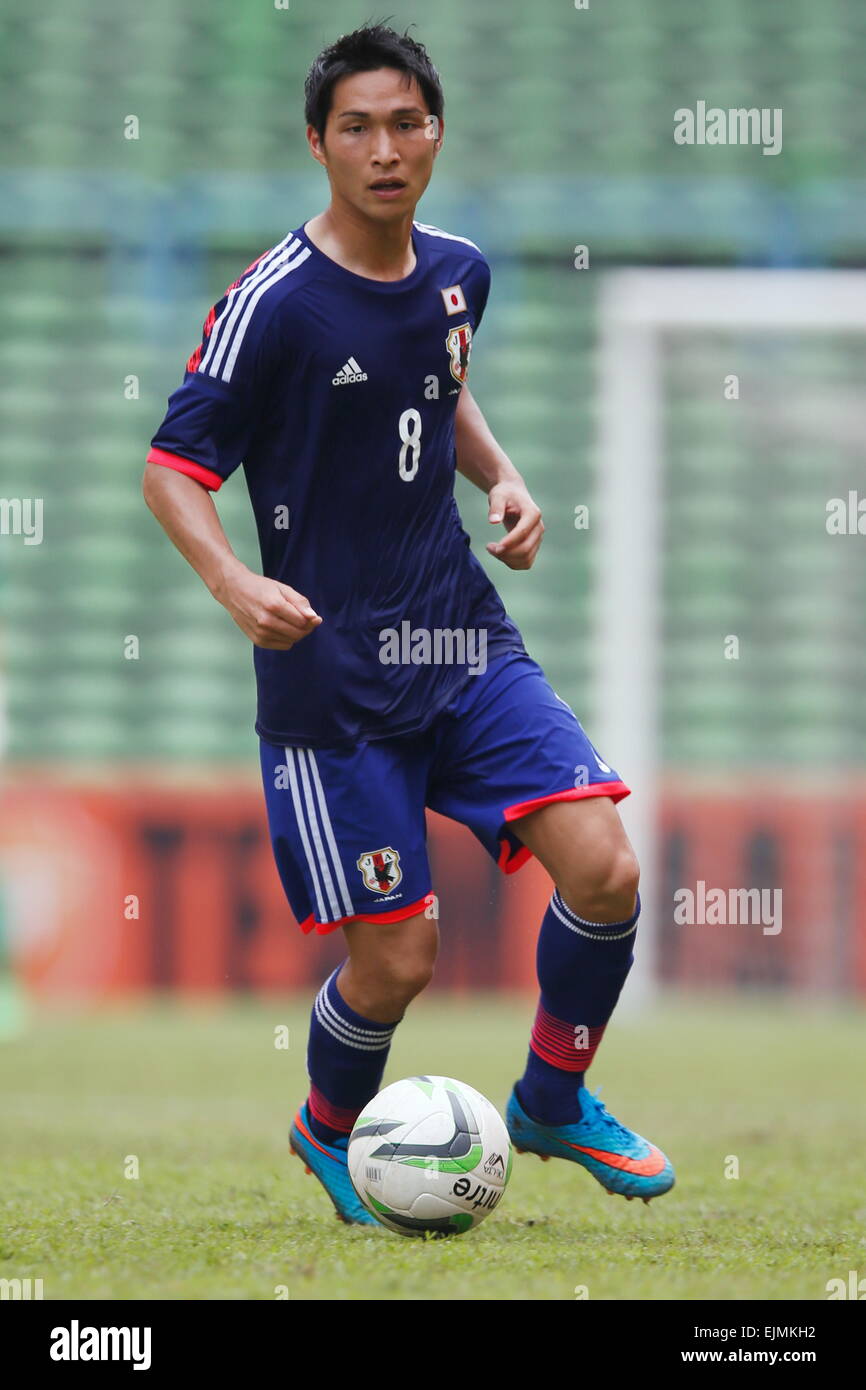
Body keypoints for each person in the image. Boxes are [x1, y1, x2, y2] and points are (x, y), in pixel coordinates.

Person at [143, 22, 673, 1226]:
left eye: (406, 123)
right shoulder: (270, 304)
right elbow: (171, 468)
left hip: (459, 640)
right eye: (356, 128)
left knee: (602, 864)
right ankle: (328, 1128)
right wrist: (234, 583)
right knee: (397, 962)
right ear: (318, 142)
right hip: (333, 684)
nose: (384, 149)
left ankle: (550, 1097)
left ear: (435, 132)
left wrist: (499, 473)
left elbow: (438, 380)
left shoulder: (459, 269)